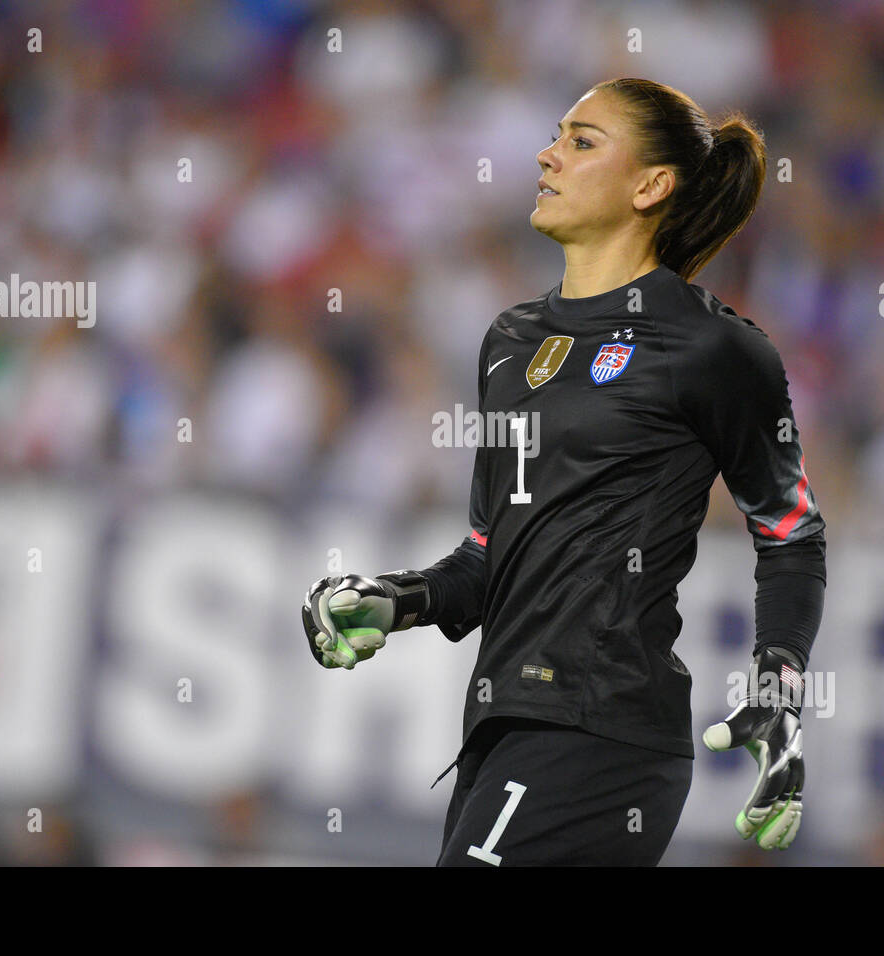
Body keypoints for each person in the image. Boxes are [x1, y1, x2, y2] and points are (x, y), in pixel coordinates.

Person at [301, 78, 826, 866]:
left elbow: (790, 534)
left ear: (652, 186)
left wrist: (778, 696)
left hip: (602, 731)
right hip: (502, 729)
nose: (547, 155)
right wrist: (396, 598)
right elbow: (486, 555)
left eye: (582, 142)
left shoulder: (714, 349)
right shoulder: (511, 340)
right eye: (556, 135)